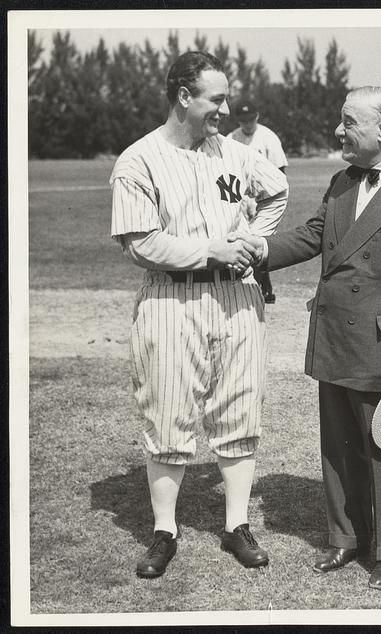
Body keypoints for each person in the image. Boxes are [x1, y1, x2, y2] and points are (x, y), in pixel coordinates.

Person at [239, 86, 381, 590]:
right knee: (337, 447)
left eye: (348, 122)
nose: (339, 130)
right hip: (335, 337)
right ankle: (345, 539)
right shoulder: (341, 182)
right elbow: (313, 235)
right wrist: (259, 247)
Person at [109, 51, 289, 578]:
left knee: (239, 409)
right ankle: (164, 531)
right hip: (171, 298)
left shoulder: (232, 152)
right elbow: (141, 243)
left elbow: (276, 190)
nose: (226, 108)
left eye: (227, 97)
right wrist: (213, 248)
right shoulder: (137, 160)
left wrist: (253, 238)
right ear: (184, 97)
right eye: (217, 98)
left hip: (237, 296)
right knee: (168, 413)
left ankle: (236, 526)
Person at [229, 99, 289, 304]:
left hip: (263, 196)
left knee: (260, 241)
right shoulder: (232, 138)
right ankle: (264, 288)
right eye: (243, 120)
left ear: (257, 117)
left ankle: (260, 287)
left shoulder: (267, 137)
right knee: (243, 241)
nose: (247, 124)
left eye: (250, 119)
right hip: (240, 197)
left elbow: (280, 172)